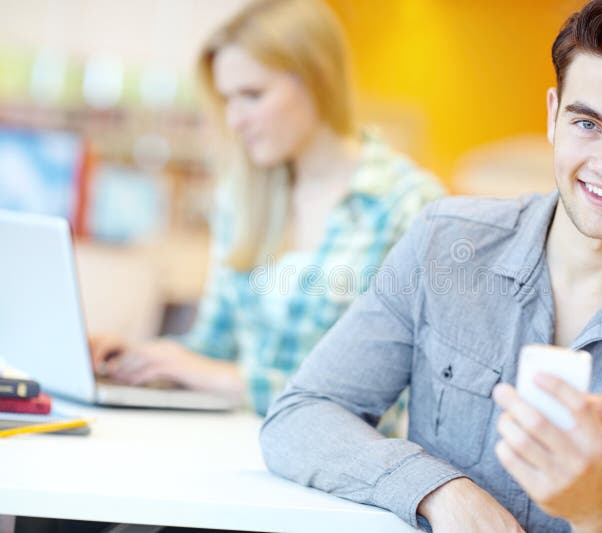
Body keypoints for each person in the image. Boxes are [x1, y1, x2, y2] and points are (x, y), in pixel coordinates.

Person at [260, 0, 602, 531]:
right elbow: (304, 414)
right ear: (553, 115)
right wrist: (440, 490)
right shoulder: (444, 243)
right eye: (587, 123)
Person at [89, 0, 444, 416]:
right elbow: (212, 348)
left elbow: (396, 407)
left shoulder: (410, 206)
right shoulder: (241, 197)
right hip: (224, 447)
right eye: (227, 100)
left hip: (330, 467)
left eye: (252, 95)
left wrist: (225, 379)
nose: (235, 120)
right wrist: (145, 359)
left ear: (318, 79)